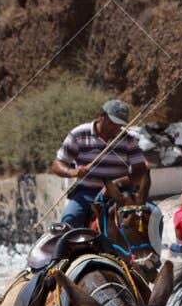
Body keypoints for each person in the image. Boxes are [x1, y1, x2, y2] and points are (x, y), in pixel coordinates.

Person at [49, 98, 150, 229]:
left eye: (120, 124)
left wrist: (117, 184)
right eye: (113, 122)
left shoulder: (127, 139)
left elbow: (139, 170)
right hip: (86, 192)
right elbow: (57, 164)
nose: (116, 127)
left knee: (153, 215)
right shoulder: (79, 134)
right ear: (101, 116)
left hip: (120, 193)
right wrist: (72, 172)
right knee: (68, 223)